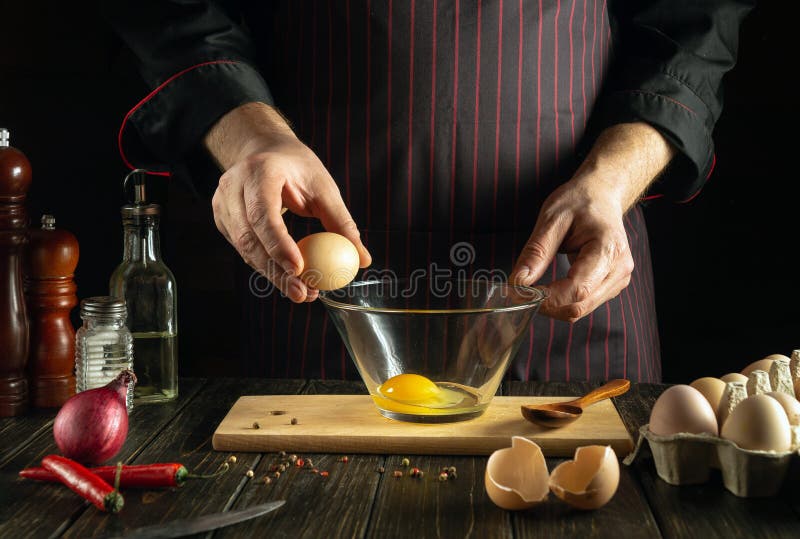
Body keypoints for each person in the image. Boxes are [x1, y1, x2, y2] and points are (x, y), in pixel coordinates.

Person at [104, 1, 754, 381]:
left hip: (571, 304)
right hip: (316, 311)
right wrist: (251, 138)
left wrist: (614, 177)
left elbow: (696, 20)